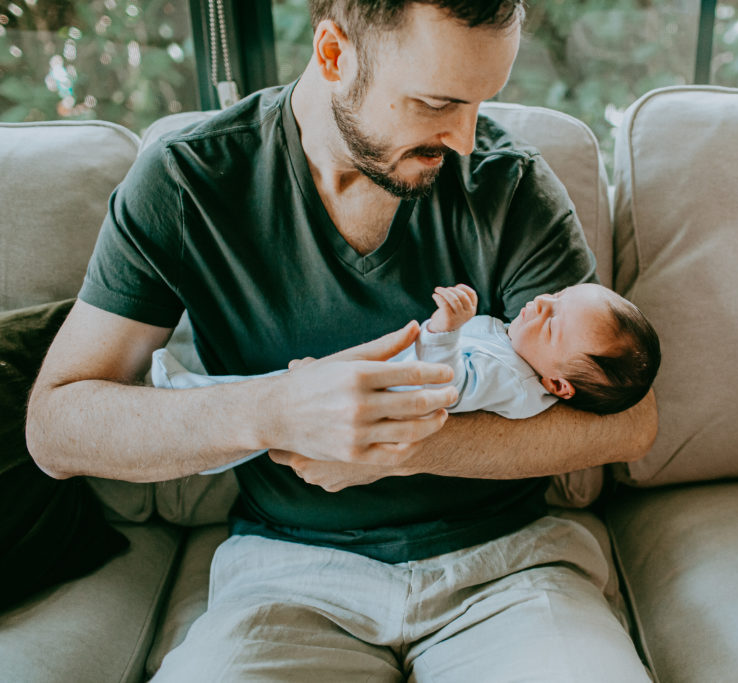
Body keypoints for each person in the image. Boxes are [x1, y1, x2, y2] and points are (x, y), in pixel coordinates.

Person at [26, 1, 658, 680]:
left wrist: (400, 445)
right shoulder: (187, 184)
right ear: (333, 55)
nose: (466, 137)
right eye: (435, 102)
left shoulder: (510, 184)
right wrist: (277, 409)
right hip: (289, 573)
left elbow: (632, 421)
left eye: (480, 103)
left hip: (508, 566)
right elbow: (56, 427)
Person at [153, 282, 661, 473]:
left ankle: (188, 405)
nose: (544, 303)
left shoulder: (509, 378)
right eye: (560, 295)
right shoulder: (520, 355)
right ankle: (200, 416)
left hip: (377, 395)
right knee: (269, 400)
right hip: (371, 380)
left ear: (559, 386)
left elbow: (444, 380)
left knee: (271, 406)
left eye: (554, 321)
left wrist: (446, 327)